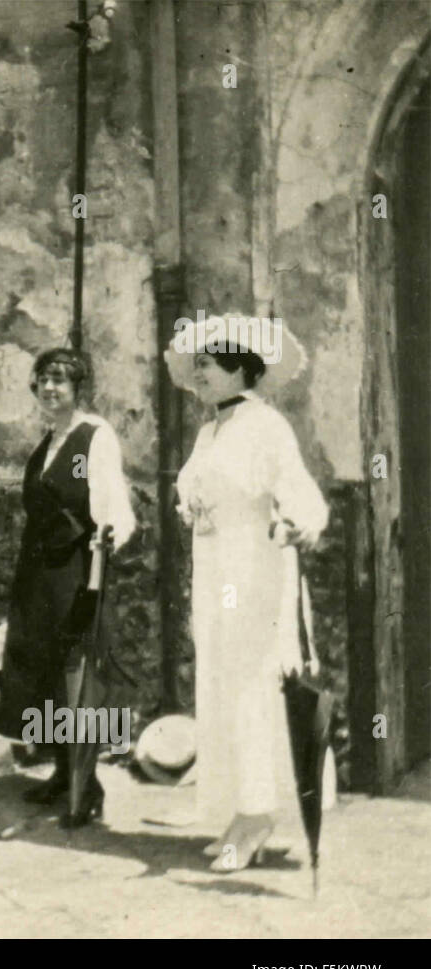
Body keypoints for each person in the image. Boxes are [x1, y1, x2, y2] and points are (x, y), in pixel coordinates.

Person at [166, 329, 327, 872]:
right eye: (195, 365)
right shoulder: (211, 429)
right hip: (215, 571)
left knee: (254, 689)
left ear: (240, 368)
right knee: (220, 687)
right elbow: (193, 490)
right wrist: (188, 506)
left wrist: (300, 523)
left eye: (207, 364)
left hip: (256, 570)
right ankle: (239, 808)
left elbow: (299, 489)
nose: (198, 374)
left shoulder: (265, 425)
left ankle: (260, 814)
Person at [0, 347, 136, 827]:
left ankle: (86, 788)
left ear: (79, 389)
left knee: (80, 679)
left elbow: (113, 501)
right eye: (44, 379)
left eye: (61, 380)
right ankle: (59, 771)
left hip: (77, 568)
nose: (51, 388)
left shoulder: (95, 436)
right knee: (45, 672)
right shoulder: (45, 444)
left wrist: (111, 536)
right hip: (37, 572)